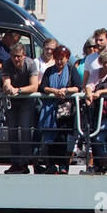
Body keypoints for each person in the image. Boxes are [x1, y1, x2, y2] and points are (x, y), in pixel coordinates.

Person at [37, 44, 79, 174]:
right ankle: (51, 165)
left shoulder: (72, 70)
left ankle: (63, 165)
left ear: (67, 58)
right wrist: (53, 91)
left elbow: (78, 87)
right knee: (49, 138)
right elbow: (42, 87)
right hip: (50, 108)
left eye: (63, 58)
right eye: (58, 58)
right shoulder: (49, 71)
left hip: (65, 109)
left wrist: (65, 90)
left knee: (63, 137)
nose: (60, 61)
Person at [0, 43, 40, 174]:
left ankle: (24, 162)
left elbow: (34, 86)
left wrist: (18, 90)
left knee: (25, 130)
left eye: (18, 56)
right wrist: (8, 87)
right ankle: (15, 162)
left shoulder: (30, 64)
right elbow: (6, 82)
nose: (16, 59)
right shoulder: (7, 64)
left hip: (26, 101)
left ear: (24, 55)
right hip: (12, 101)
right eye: (13, 56)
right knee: (11, 132)